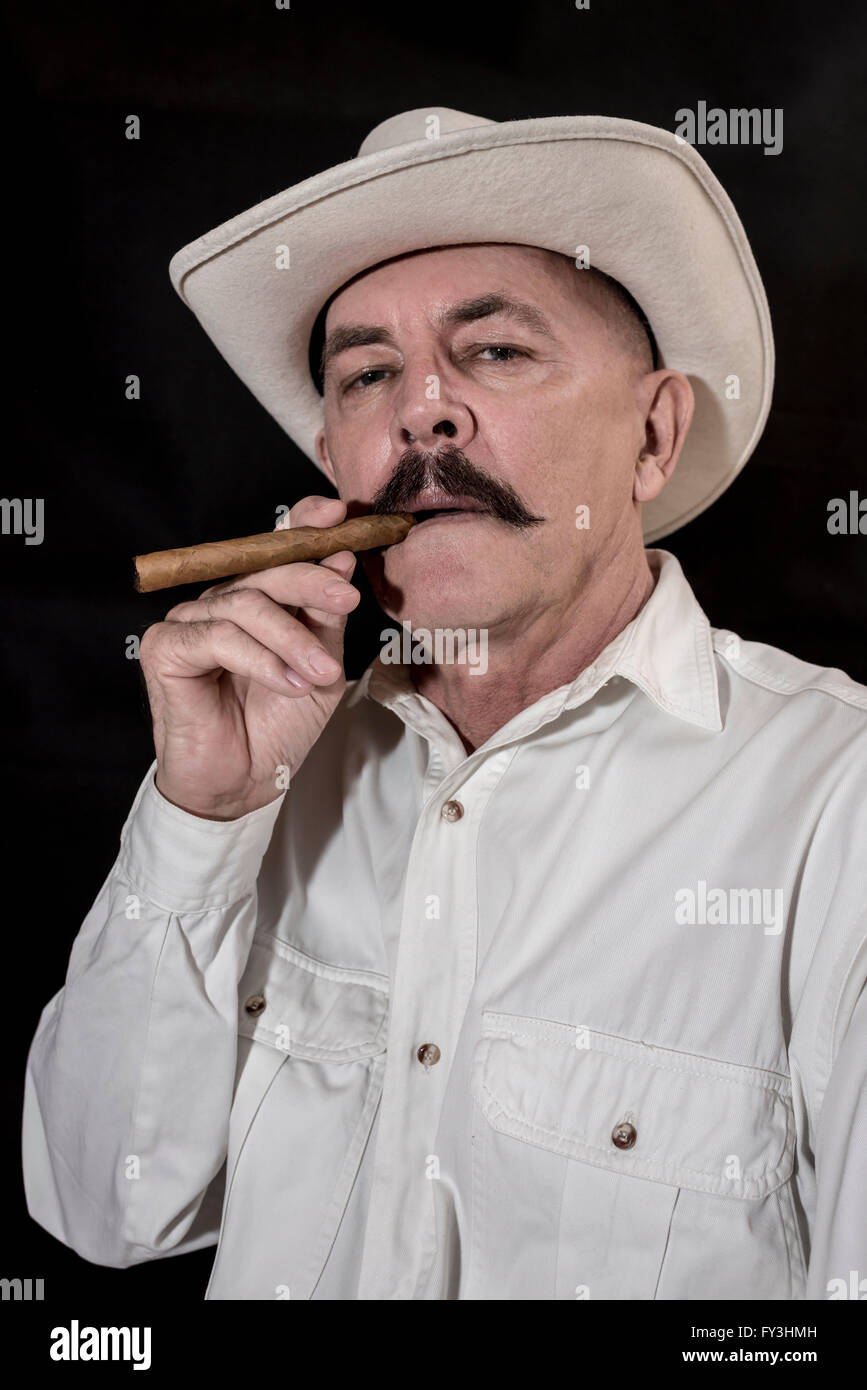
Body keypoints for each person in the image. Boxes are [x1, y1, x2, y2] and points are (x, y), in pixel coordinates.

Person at [22, 107, 866, 1300]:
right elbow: (101, 1206)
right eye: (369, 373)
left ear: (653, 432)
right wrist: (201, 817)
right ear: (333, 456)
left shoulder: (839, 798)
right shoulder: (268, 761)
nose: (424, 411)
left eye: (497, 353)